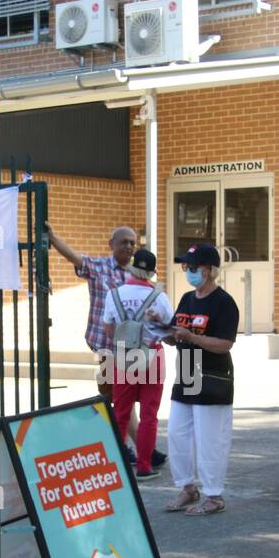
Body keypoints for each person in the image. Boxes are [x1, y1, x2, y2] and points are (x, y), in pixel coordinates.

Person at [47, 221, 166, 470]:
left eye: (133, 242)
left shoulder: (137, 274)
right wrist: (54, 238)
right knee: (113, 397)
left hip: (137, 351)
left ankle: (134, 450)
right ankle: (133, 450)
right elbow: (74, 257)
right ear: (111, 245)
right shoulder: (99, 267)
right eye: (124, 242)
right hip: (105, 348)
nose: (130, 246)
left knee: (124, 402)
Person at [163, 243, 239, 516]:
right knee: (177, 433)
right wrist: (164, 330)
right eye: (186, 267)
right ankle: (187, 487)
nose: (188, 272)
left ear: (209, 270)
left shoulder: (224, 302)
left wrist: (192, 337)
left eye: (193, 267)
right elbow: (175, 335)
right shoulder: (186, 298)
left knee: (210, 438)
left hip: (212, 373)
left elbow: (225, 343)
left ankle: (213, 494)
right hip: (186, 368)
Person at [101, 248, 173, 480]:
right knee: (149, 415)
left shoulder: (114, 294)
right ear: (152, 272)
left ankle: (117, 467)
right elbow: (170, 329)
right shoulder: (160, 297)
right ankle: (144, 466)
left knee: (121, 413)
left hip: (123, 358)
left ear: (131, 267)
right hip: (152, 355)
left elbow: (108, 328)